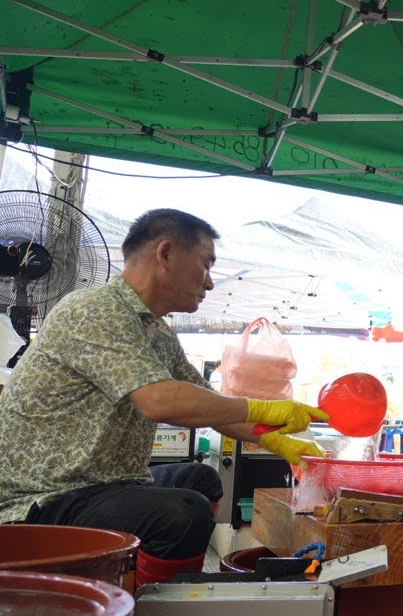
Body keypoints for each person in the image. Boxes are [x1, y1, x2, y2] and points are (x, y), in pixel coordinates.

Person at [0, 209, 327, 584]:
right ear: (166, 253)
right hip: (42, 498)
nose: (210, 283)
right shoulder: (93, 310)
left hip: (104, 483)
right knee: (183, 512)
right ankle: (152, 608)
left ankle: (151, 582)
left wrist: (275, 439)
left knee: (201, 479)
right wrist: (263, 407)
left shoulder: (158, 333)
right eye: (206, 265)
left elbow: (208, 406)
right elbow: (160, 401)